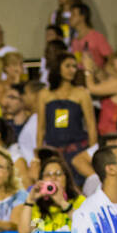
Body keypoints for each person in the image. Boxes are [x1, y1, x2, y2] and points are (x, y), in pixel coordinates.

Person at [36, 53, 95, 186]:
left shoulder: (82, 94)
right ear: (58, 68)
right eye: (68, 66)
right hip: (53, 153)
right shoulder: (44, 94)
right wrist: (38, 155)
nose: (72, 70)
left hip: (77, 152)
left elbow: (91, 126)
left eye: (74, 66)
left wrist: (91, 154)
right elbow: (40, 128)